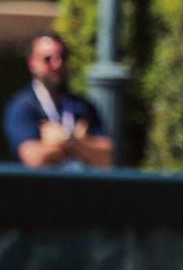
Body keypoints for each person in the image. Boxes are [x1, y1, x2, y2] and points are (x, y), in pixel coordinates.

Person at [4, 32, 112, 169]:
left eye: (63, 57)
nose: (57, 64)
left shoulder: (83, 106)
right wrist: (83, 145)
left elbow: (107, 157)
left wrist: (67, 139)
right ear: (32, 63)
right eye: (48, 59)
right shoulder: (23, 106)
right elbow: (34, 159)